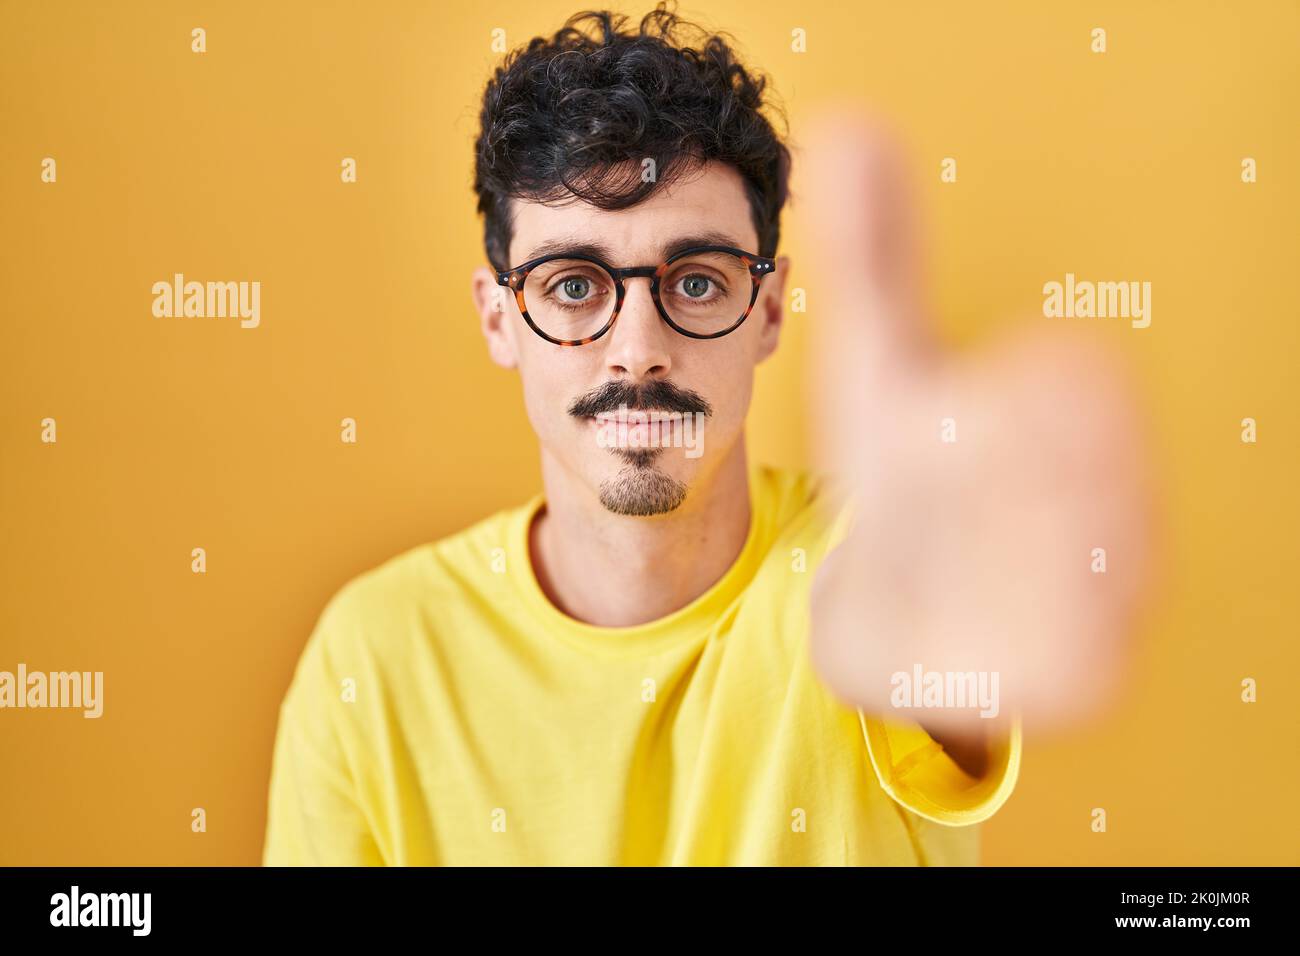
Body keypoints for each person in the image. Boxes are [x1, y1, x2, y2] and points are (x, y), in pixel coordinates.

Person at [263, 3, 1149, 866]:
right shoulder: (374, 656)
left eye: (694, 282)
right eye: (574, 284)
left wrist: (929, 666)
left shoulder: (876, 564)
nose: (639, 354)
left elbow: (901, 635)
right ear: (499, 318)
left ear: (766, 310)